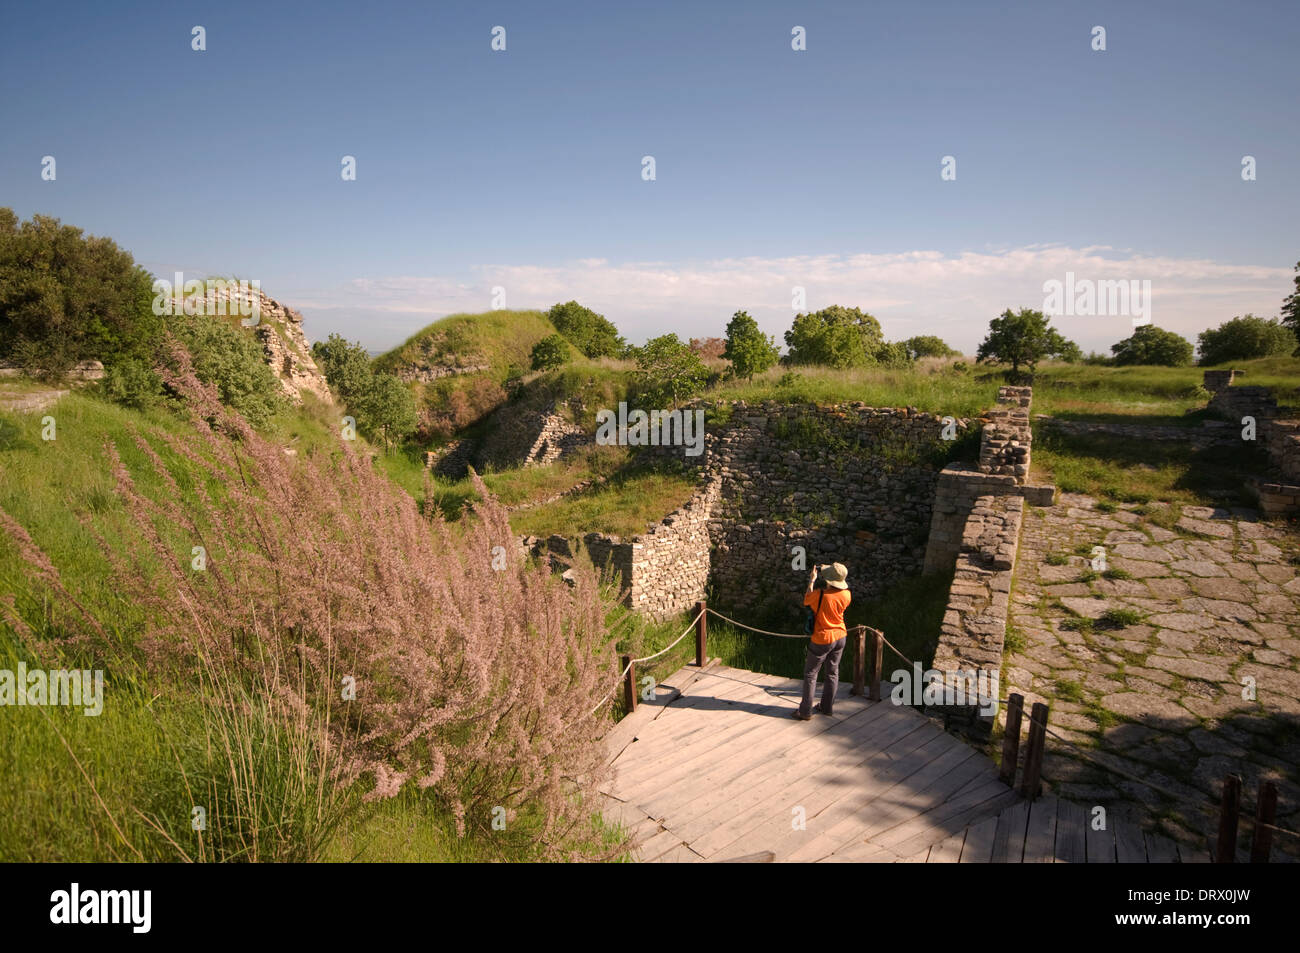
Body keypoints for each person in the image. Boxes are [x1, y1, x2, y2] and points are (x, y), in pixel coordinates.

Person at [793, 562, 851, 720]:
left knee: (811, 674)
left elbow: (806, 600)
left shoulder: (820, 595)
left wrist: (812, 580)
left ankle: (805, 711)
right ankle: (827, 707)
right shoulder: (847, 594)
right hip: (840, 636)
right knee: (832, 673)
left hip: (822, 638)